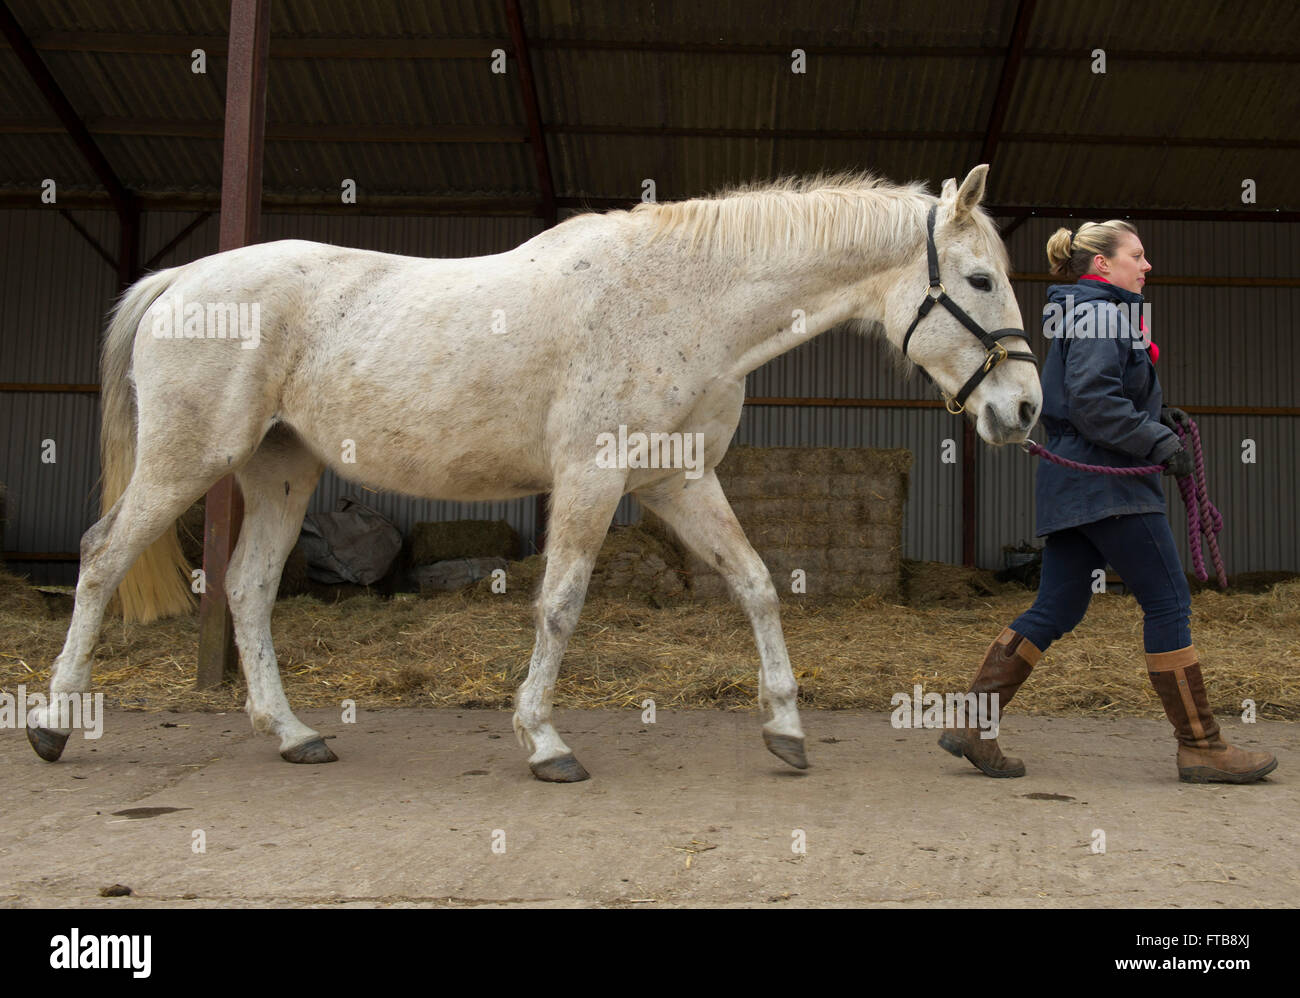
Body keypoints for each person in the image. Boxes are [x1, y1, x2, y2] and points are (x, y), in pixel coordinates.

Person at [938, 220, 1277, 783]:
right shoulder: (1102, 313)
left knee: (1057, 609)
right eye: (1137, 256)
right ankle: (1200, 745)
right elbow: (1095, 401)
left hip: (1077, 491)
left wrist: (1154, 417)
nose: (1146, 266)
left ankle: (974, 722)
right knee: (1169, 602)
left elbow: (1088, 397)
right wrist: (1159, 442)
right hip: (1111, 488)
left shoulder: (1085, 310)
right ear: (1102, 264)